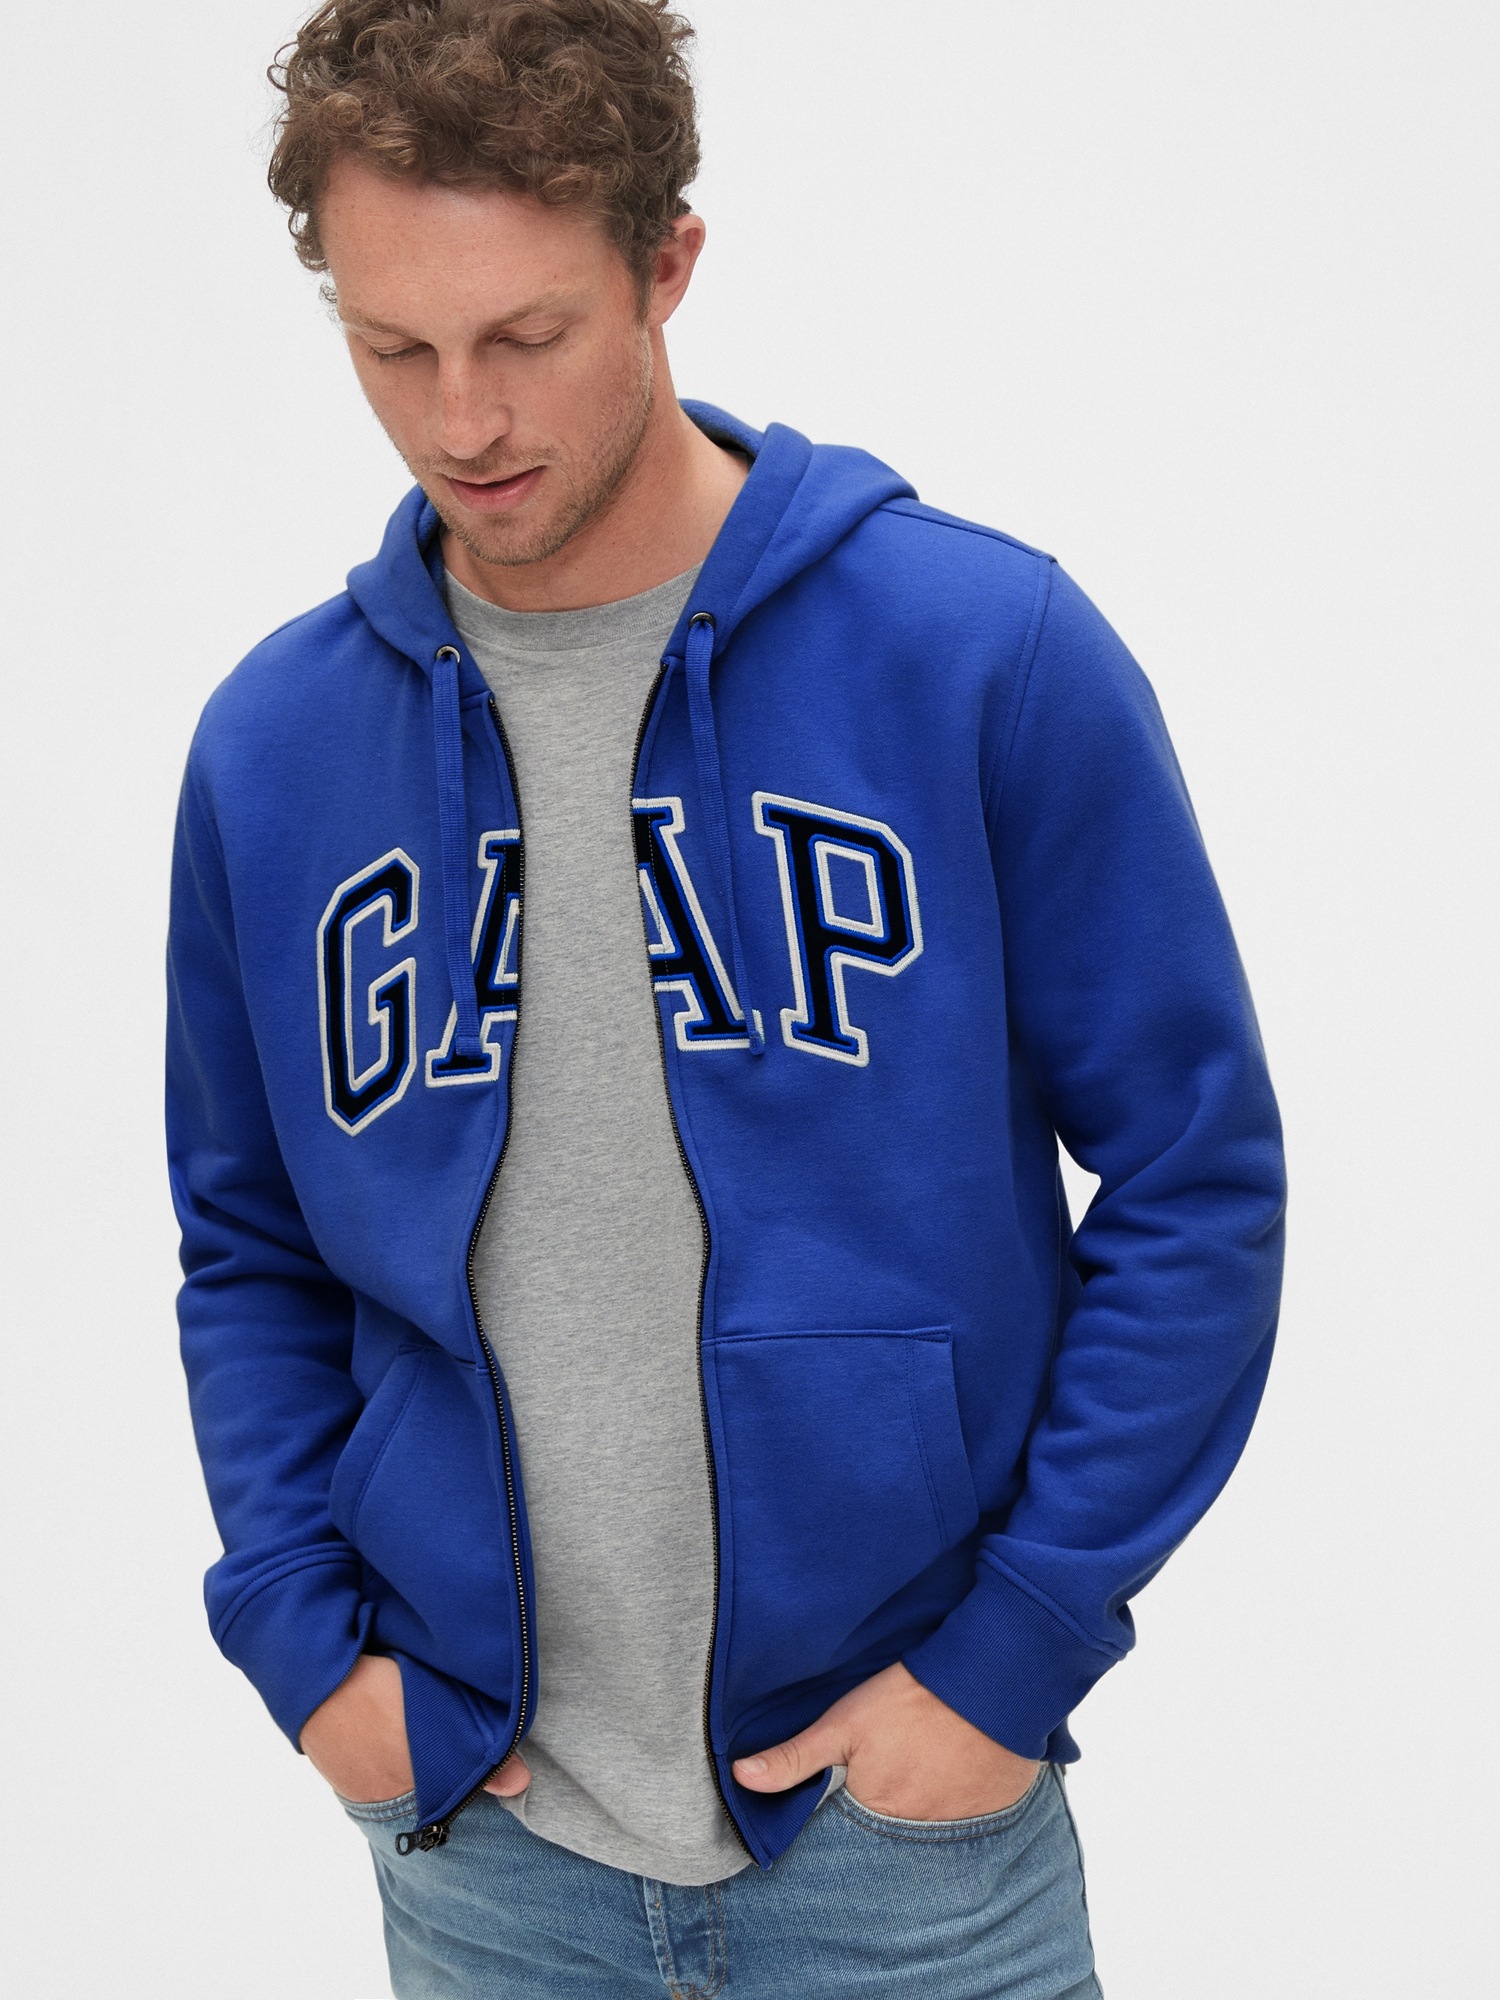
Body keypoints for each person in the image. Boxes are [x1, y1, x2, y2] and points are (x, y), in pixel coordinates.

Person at [166, 2, 1285, 1993]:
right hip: (486, 1852)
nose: (461, 422)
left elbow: (1198, 1181)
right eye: (393, 348)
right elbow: (248, 1241)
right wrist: (303, 1645)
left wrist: (1014, 1653)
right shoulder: (276, 751)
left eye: (527, 336)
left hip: (906, 1851)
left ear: (666, 264)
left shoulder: (981, 650)